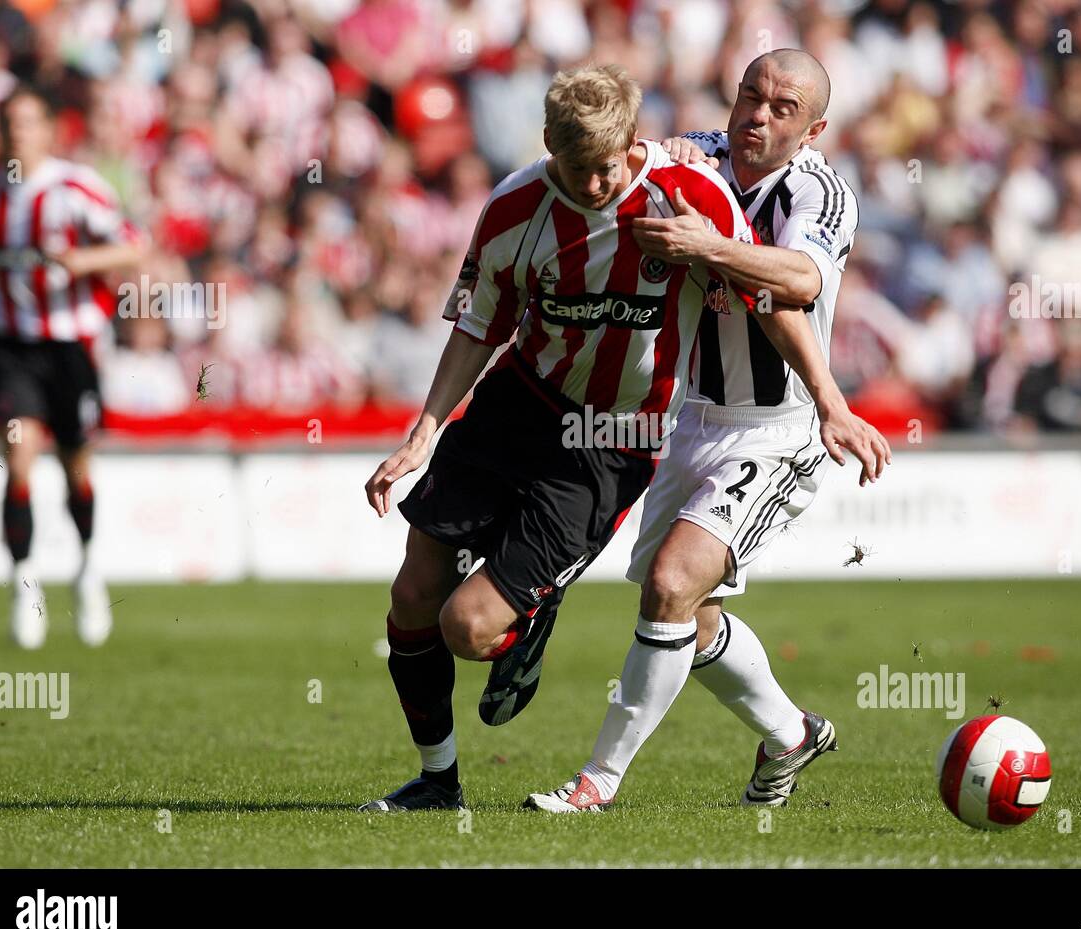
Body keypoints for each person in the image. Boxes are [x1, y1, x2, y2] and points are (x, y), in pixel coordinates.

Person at [357, 64, 857, 812]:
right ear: (549, 146)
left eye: (609, 167)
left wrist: (829, 398)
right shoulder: (517, 207)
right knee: (416, 588)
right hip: (523, 405)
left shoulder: (703, 197)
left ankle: (597, 770)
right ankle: (438, 780)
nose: (596, 187)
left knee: (484, 622)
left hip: (634, 435)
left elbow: (786, 290)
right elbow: (477, 324)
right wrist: (422, 434)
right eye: (578, 169)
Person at [526, 50, 890, 813]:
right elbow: (625, 159)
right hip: (692, 421)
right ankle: (791, 733)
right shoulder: (699, 156)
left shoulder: (820, 193)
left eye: (783, 106)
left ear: (814, 129)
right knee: (690, 614)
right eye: (750, 96)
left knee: (669, 586)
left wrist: (705, 247)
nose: (759, 113)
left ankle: (598, 782)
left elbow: (797, 280)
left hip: (778, 427)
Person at [0, 85, 144, 649]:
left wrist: (83, 259)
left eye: (27, 123)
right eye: (8, 124)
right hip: (8, 347)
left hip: (70, 347)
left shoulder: (75, 188)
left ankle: (88, 569)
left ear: (47, 130)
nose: (17, 134)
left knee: (76, 464)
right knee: (18, 457)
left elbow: (133, 246)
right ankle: (24, 581)